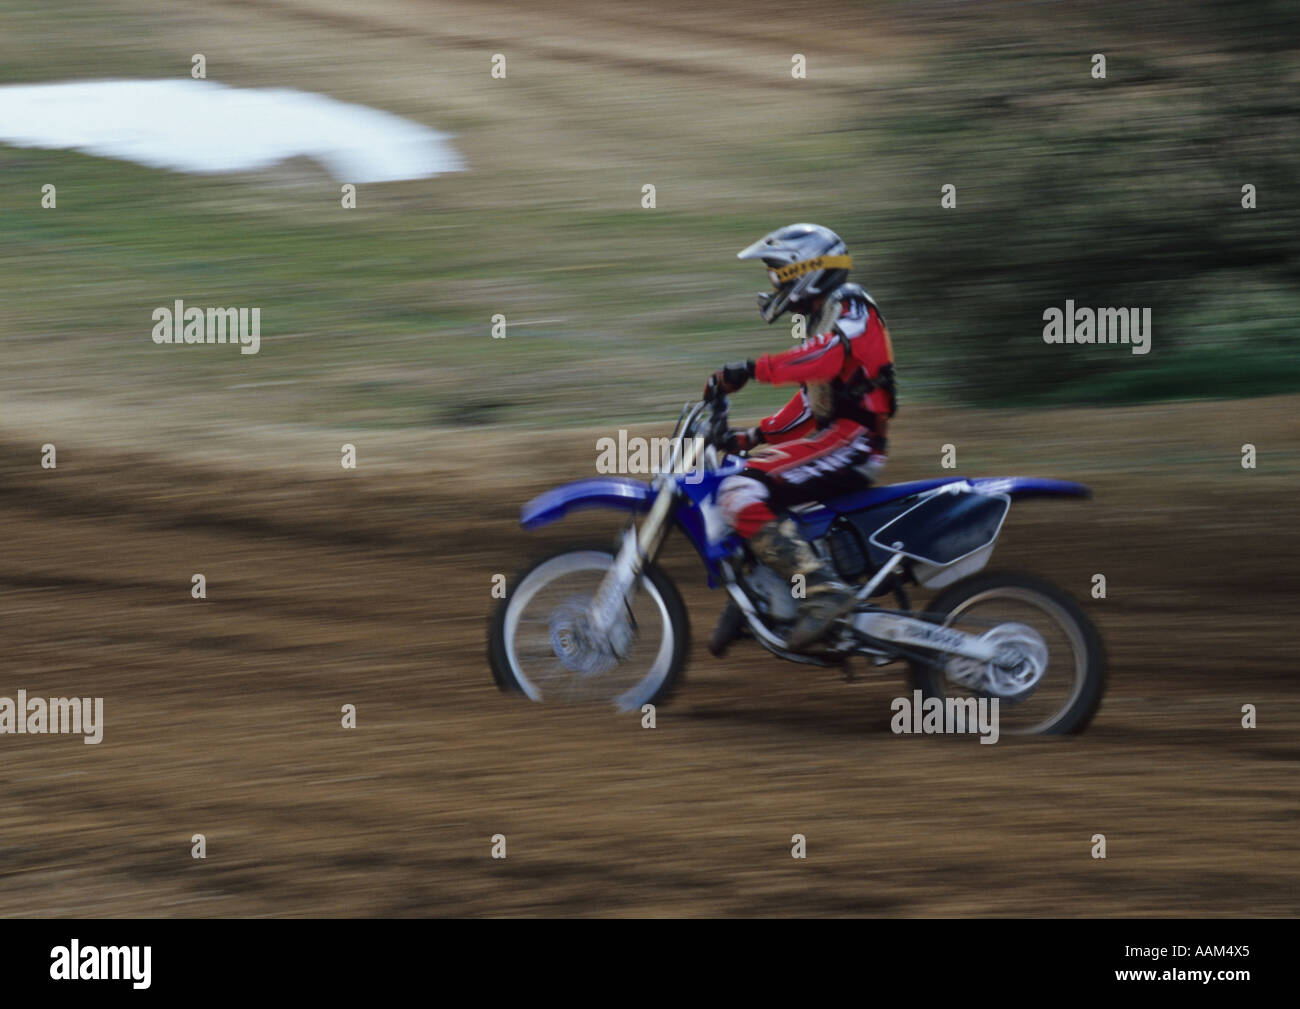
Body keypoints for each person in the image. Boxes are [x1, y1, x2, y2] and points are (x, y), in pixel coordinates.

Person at [708, 223, 897, 650]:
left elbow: (824, 358)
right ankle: (760, 589)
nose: (773, 281)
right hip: (839, 438)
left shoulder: (852, 307)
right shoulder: (827, 316)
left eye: (777, 271)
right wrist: (751, 436)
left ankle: (823, 594)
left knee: (739, 492)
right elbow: (811, 403)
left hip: (855, 441)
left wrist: (752, 369)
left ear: (806, 270)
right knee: (738, 474)